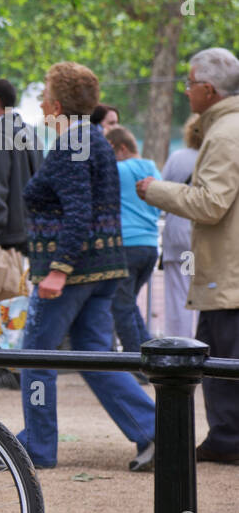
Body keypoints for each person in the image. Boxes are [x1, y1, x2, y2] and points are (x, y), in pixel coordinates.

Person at [12, 61, 155, 472]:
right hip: (106, 268)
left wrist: (58, 269)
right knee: (95, 356)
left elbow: (78, 213)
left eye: (43, 96)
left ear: (56, 105)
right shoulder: (97, 139)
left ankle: (37, 446)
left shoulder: (73, 144)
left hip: (73, 273)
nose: (40, 103)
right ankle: (152, 429)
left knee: (37, 357)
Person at [139, 46, 239, 464]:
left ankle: (227, 439)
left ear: (209, 90)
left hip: (227, 275)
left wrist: (155, 190)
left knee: (219, 361)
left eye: (190, 84)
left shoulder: (224, 132)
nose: (185, 92)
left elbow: (212, 203)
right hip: (227, 270)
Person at [0, 77, 42, 389]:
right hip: (28, 230)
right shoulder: (30, 132)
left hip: (4, 232)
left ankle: (6, 364)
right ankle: (16, 362)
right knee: (18, 296)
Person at [105, 125, 160, 357]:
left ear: (122, 148)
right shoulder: (152, 169)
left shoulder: (119, 169)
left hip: (126, 245)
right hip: (149, 245)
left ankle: (134, 362)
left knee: (121, 307)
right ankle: (149, 355)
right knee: (128, 305)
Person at [157, 115, 202, 339]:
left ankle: (180, 346)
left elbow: (163, 193)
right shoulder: (218, 156)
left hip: (178, 235)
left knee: (179, 295)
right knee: (206, 295)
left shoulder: (178, 158)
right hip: (204, 236)